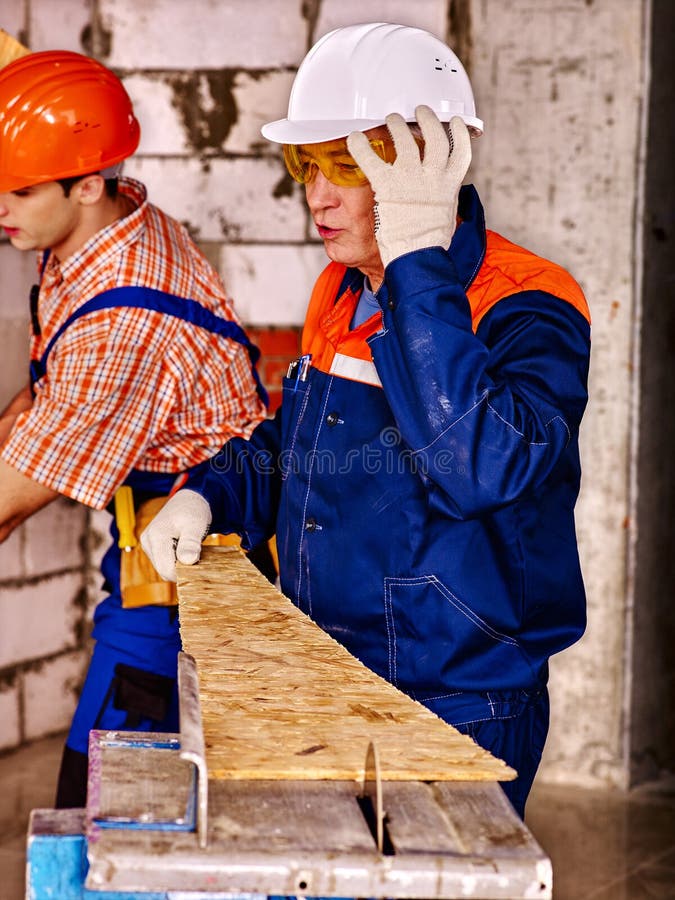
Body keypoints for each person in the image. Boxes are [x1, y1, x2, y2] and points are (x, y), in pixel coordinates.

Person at [141, 22, 591, 818]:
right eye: (309, 168)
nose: (318, 196)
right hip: (325, 670)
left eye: (347, 168)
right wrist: (209, 493)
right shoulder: (344, 287)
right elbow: (303, 442)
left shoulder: (529, 302)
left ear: (428, 163)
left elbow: (481, 467)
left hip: (457, 694)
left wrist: (420, 256)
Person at [0, 50, 268, 807]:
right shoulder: (112, 225)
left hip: (199, 584)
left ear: (87, 184)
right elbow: (47, 393)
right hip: (154, 556)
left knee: (102, 804)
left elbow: (7, 502)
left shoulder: (127, 313)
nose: (2, 207)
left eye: (20, 191)